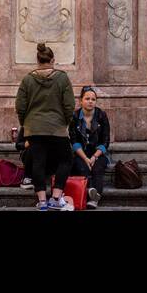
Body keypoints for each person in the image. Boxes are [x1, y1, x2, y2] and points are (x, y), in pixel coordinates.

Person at [13, 43, 76, 211]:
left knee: (38, 163)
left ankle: (41, 202)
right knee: (66, 159)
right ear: (53, 60)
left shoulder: (27, 79)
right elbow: (69, 105)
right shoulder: (62, 78)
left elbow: (20, 106)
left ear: (37, 59)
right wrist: (66, 123)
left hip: (34, 128)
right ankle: (56, 197)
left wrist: (25, 124)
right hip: (57, 127)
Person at [69, 86, 111, 208]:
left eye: (93, 99)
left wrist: (94, 157)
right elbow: (74, 141)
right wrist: (85, 158)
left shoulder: (101, 115)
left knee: (98, 169)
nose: (90, 101)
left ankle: (94, 199)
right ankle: (91, 192)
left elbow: (106, 141)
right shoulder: (75, 116)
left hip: (98, 153)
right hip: (80, 153)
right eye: (87, 98)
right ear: (81, 100)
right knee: (83, 169)